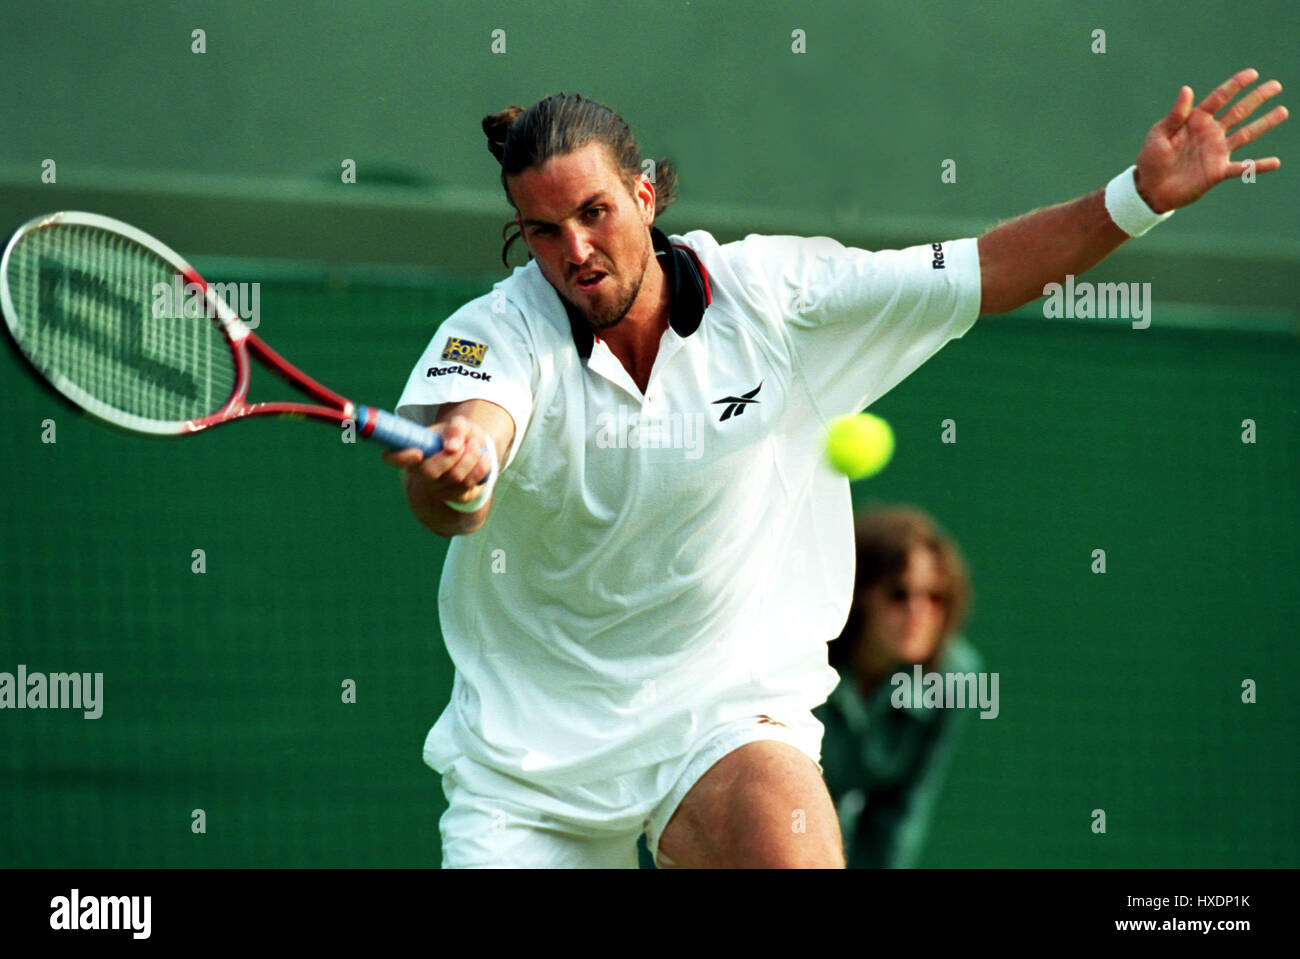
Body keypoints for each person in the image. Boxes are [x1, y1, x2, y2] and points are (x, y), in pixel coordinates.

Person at [381, 73, 1286, 868]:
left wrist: (1140, 196)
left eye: (594, 213)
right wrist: (460, 472)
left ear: (646, 194)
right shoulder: (495, 331)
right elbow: (463, 460)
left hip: (721, 713)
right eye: (543, 230)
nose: (573, 251)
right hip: (528, 768)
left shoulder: (778, 298)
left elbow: (983, 271)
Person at [814, 506, 978, 869]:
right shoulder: (800, 656)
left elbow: (898, 813)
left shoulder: (954, 678)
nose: (918, 612)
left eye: (935, 597)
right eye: (899, 594)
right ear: (857, 594)